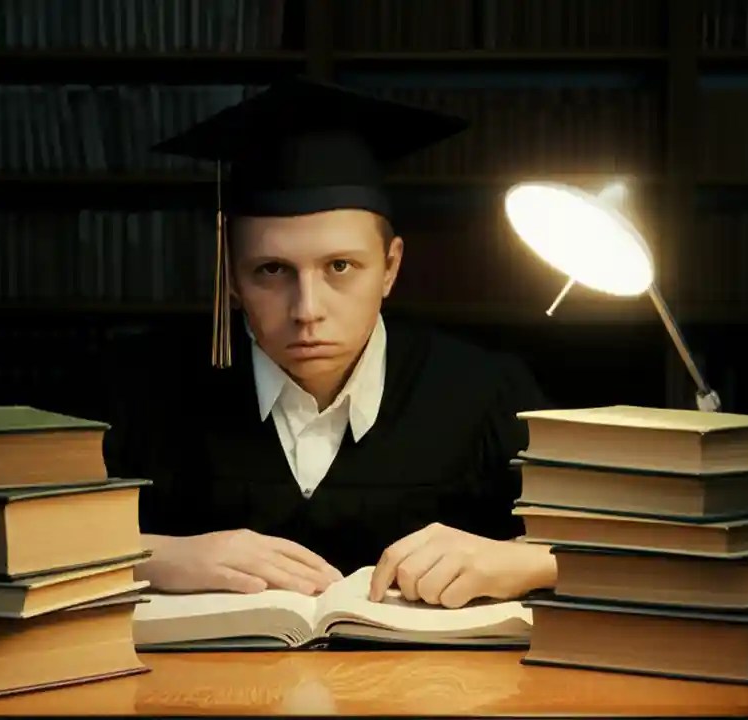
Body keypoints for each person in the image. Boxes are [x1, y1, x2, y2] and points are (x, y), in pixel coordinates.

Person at [96, 76, 556, 610]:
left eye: (341, 266)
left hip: (425, 690)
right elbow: (8, 547)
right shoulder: (142, 388)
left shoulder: (483, 392)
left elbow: (626, 549)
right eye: (271, 269)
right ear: (232, 280)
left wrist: (522, 561)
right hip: (205, 693)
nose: (307, 309)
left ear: (390, 267)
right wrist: (153, 557)